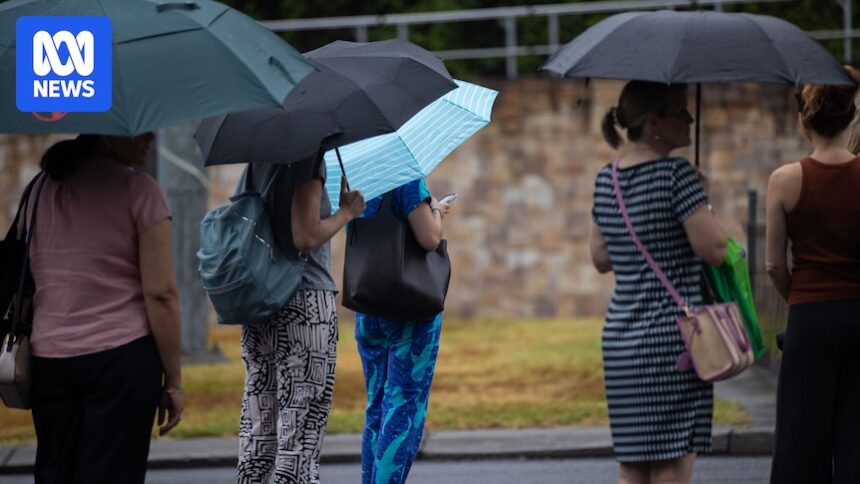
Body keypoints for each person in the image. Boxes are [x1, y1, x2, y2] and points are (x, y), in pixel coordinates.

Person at [23, 134, 183, 484]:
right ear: (107, 136)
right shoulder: (140, 190)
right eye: (139, 130)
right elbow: (160, 294)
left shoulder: (39, 189)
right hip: (121, 360)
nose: (152, 139)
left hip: (48, 358)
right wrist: (173, 381)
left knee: (55, 473)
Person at [589, 81, 727, 484]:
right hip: (673, 341)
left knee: (632, 465)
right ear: (653, 122)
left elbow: (600, 259)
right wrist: (702, 199)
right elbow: (715, 249)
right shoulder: (676, 175)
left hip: (621, 341)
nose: (690, 118)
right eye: (680, 111)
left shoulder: (607, 179)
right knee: (672, 461)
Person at [237, 152, 365, 484]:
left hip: (258, 300)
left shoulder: (259, 158)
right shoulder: (306, 155)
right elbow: (305, 237)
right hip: (305, 304)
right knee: (301, 430)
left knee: (259, 428)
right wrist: (347, 212)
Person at [766, 67, 860, 484]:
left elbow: (773, 265)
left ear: (804, 121)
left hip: (809, 316)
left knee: (801, 438)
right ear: (852, 114)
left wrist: (801, 298)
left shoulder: (785, 180)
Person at [349, 179, 451, 484]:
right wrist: (436, 210)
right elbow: (429, 238)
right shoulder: (406, 179)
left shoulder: (356, 177)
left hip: (368, 308)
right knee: (403, 409)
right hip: (409, 310)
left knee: (377, 409)